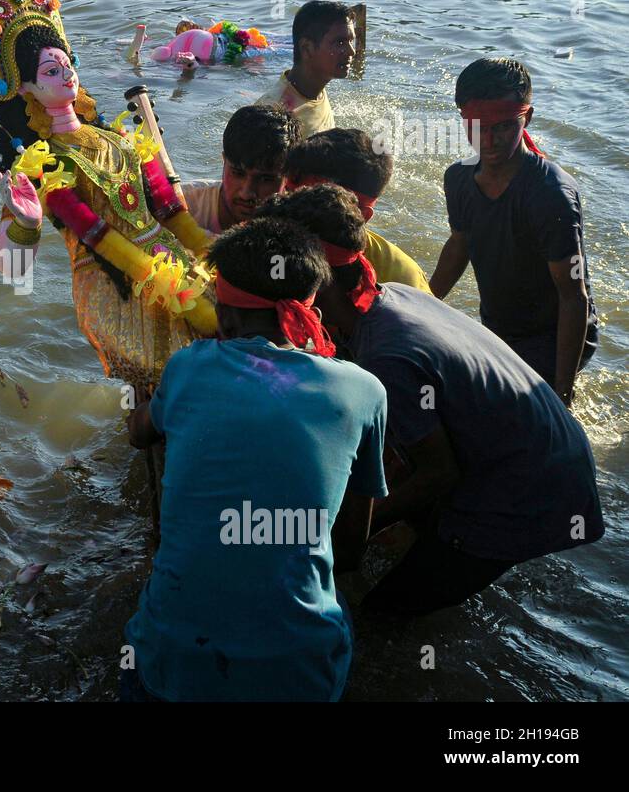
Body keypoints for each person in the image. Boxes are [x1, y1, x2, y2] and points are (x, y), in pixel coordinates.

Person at [257, 184, 605, 615]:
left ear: (313, 280)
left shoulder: (387, 357)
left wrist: (349, 531)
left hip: (532, 488)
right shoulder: (392, 296)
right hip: (541, 452)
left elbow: (438, 472)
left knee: (380, 616)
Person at [0, 0, 218, 396]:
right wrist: (26, 222)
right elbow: (11, 267)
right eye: (51, 69)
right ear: (25, 86)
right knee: (160, 381)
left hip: (168, 259)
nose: (66, 74)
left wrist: (211, 249)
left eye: (67, 64)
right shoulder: (37, 163)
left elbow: (167, 206)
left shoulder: (116, 134)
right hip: (113, 283)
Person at [123, 217, 387, 701]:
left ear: (223, 317)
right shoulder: (364, 391)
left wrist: (145, 398)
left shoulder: (186, 369)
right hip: (298, 675)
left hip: (172, 668)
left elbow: (140, 433)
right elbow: (350, 550)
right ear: (312, 307)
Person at [429, 57, 597, 404]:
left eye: (503, 127)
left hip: (551, 336)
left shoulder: (550, 194)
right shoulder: (459, 179)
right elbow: (459, 245)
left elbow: (572, 297)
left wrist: (561, 390)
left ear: (527, 118)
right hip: (499, 326)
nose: (489, 140)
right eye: (477, 127)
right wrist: (423, 304)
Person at [283, 127, 431, 291]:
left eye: (310, 202)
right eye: (288, 193)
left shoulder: (402, 280)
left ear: (362, 215)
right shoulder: (264, 248)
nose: (289, 208)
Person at [181, 104, 302, 236]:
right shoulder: (181, 205)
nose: (247, 194)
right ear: (223, 161)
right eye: (238, 173)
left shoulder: (299, 225)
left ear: (288, 177)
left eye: (265, 179)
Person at [254, 0, 355, 138]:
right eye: (340, 42)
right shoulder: (274, 117)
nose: (351, 51)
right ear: (307, 48)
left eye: (351, 41)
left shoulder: (315, 86)